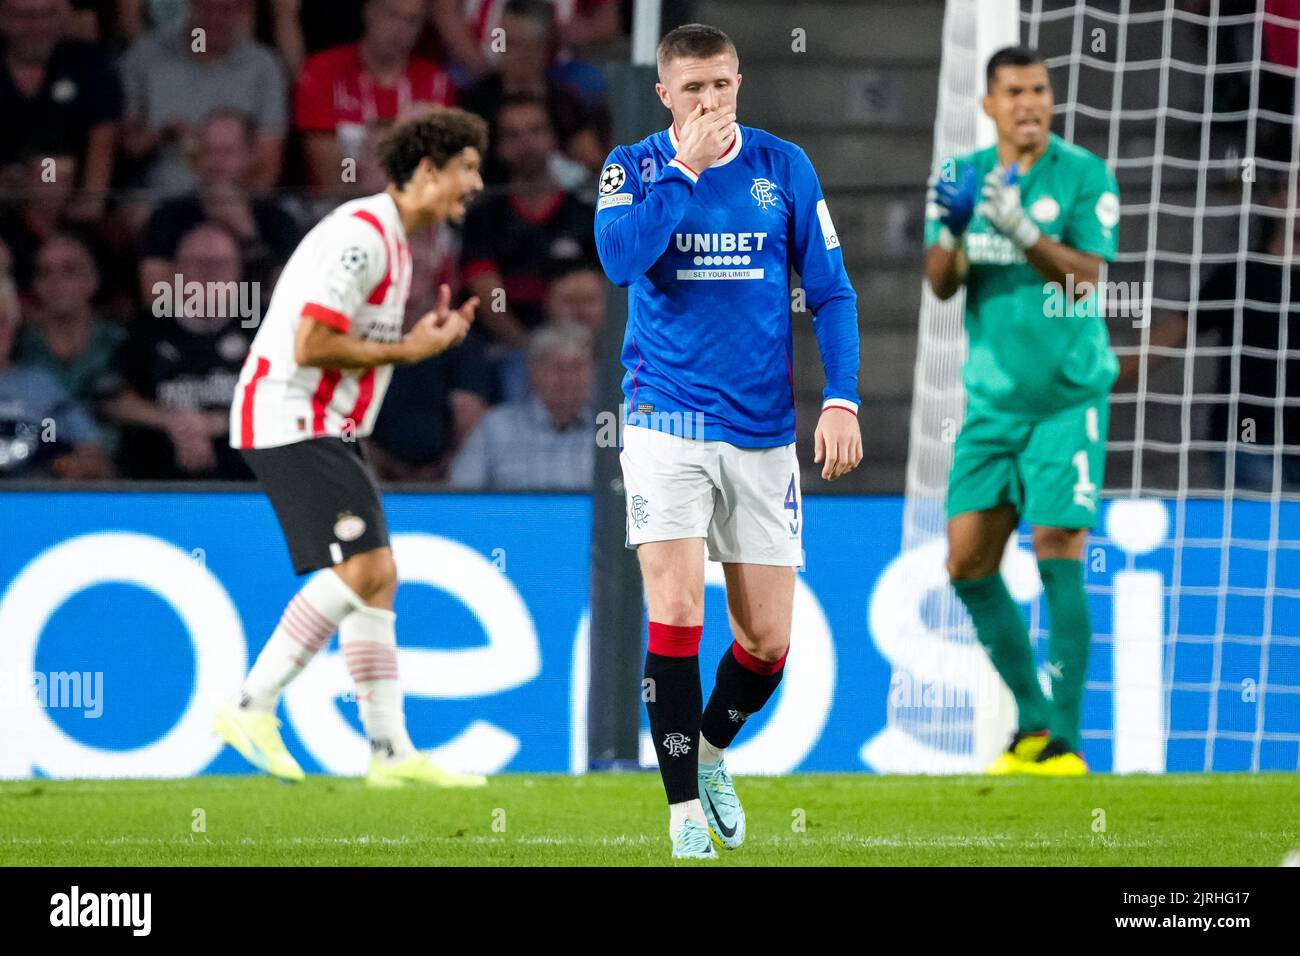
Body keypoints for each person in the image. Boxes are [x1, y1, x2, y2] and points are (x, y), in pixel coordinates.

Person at [594, 24, 862, 859]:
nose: (710, 102)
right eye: (693, 89)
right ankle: (680, 818)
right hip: (665, 422)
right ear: (664, 95)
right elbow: (618, 257)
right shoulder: (633, 168)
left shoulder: (784, 167)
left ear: (739, 82)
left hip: (761, 433)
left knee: (766, 645)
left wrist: (843, 399)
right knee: (676, 613)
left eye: (721, 85)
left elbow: (832, 291)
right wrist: (685, 171)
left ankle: (709, 755)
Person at [216, 108, 490, 789]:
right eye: (466, 169)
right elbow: (312, 343)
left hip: (320, 421)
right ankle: (252, 704)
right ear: (428, 171)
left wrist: (413, 341)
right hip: (291, 414)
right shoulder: (364, 237)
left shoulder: (396, 242)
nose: (477, 184)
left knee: (378, 576)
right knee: (364, 570)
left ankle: (390, 752)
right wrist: (410, 348)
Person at [925, 46, 1121, 778]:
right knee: (968, 563)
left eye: (1040, 90)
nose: (1031, 103)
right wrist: (951, 231)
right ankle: (1031, 722)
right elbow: (941, 286)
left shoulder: (1083, 175)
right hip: (991, 406)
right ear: (989, 104)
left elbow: (1086, 283)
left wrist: (1022, 231)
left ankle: (1065, 744)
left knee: (1058, 550)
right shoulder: (961, 176)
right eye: (1015, 92)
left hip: (1066, 401)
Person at [1118, 179, 1300, 492]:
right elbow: (1172, 335)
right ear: (1274, 198)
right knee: (1252, 535)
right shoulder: (1242, 275)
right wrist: (1094, 382)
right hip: (1248, 441)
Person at [461, 92, 596, 397]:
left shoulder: (584, 214)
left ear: (553, 138)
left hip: (581, 351)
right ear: (500, 147)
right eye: (514, 135)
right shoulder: (484, 217)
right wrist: (533, 351)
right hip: (512, 351)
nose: (527, 143)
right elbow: (488, 301)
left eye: (536, 131)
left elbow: (602, 298)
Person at [101, 222, 257, 479]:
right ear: (176, 270)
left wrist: (216, 423)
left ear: (239, 271)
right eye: (197, 263)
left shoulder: (264, 328)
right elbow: (110, 399)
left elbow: (291, 402)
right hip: (154, 486)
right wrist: (172, 421)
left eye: (220, 264)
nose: (209, 274)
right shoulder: (146, 329)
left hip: (249, 486)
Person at [119, 0, 287, 194]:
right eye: (206, 8)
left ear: (243, 11)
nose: (214, 19)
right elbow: (126, 145)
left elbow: (268, 162)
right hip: (157, 197)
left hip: (233, 199)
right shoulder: (145, 56)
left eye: (225, 10)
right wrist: (158, 135)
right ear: (188, 6)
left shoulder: (262, 67)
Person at [137, 108, 301, 300]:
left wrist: (247, 234)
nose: (215, 162)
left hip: (255, 324)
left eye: (226, 152)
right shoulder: (168, 216)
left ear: (250, 155)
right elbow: (154, 296)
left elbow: (288, 296)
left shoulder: (278, 221)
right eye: (207, 151)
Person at [295, 0, 457, 192]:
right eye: (391, 15)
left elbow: (442, 168)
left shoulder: (436, 83)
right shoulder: (323, 71)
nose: (400, 29)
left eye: (412, 20)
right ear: (369, 11)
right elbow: (328, 174)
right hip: (339, 209)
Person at [0, 0, 122, 219]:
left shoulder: (89, 64)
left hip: (73, 208)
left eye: (46, 15)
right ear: (3, 17)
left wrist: (91, 202)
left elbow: (104, 135)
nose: (36, 26)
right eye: (25, 16)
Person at [449, 320, 592, 489]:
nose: (567, 378)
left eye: (577, 368)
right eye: (557, 368)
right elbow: (461, 490)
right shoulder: (496, 427)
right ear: (533, 373)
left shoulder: (611, 427)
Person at [0, 269, 110, 479]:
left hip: (35, 501)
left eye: (3, 321)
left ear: (14, 327)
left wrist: (68, 466)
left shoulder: (39, 385)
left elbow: (93, 454)